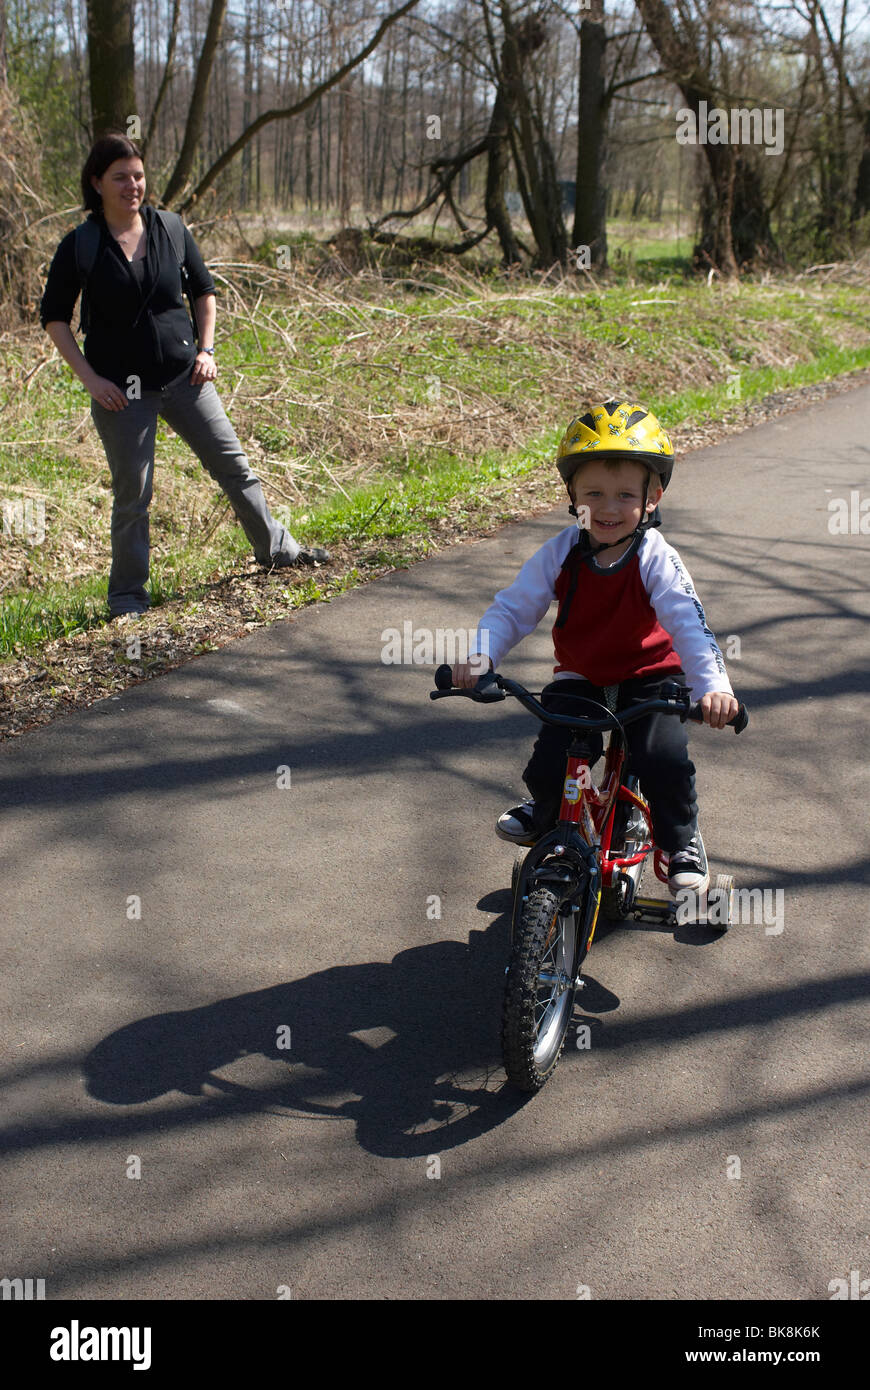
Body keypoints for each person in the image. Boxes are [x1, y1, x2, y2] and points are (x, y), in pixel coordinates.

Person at [450, 399, 739, 895]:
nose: (607, 508)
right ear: (571, 495)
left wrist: (712, 687)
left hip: (651, 677)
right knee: (550, 759)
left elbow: (690, 625)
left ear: (653, 496)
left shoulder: (655, 557)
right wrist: (482, 655)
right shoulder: (561, 551)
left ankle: (678, 841)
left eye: (625, 494)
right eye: (594, 494)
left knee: (661, 755)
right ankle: (547, 814)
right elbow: (514, 608)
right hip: (582, 677)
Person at [40, 132, 328, 619]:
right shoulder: (81, 245)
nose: (133, 185)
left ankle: (279, 551)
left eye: (138, 175)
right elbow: (54, 318)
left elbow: (204, 290)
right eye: (120, 177)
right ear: (96, 182)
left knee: (235, 468)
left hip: (185, 379)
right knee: (134, 495)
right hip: (121, 393)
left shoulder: (170, 228)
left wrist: (207, 350)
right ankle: (128, 599)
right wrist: (91, 379)